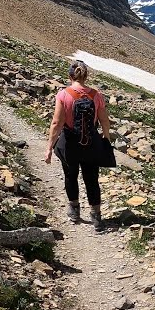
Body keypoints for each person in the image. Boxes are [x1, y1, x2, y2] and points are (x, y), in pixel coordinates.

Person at [45, 60, 111, 228]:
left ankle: (74, 211)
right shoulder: (96, 95)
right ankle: (96, 217)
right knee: (92, 179)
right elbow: (104, 120)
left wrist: (50, 148)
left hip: (69, 143)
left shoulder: (63, 94)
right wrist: (106, 139)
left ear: (70, 76)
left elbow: (56, 123)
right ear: (86, 76)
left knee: (70, 176)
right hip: (91, 143)